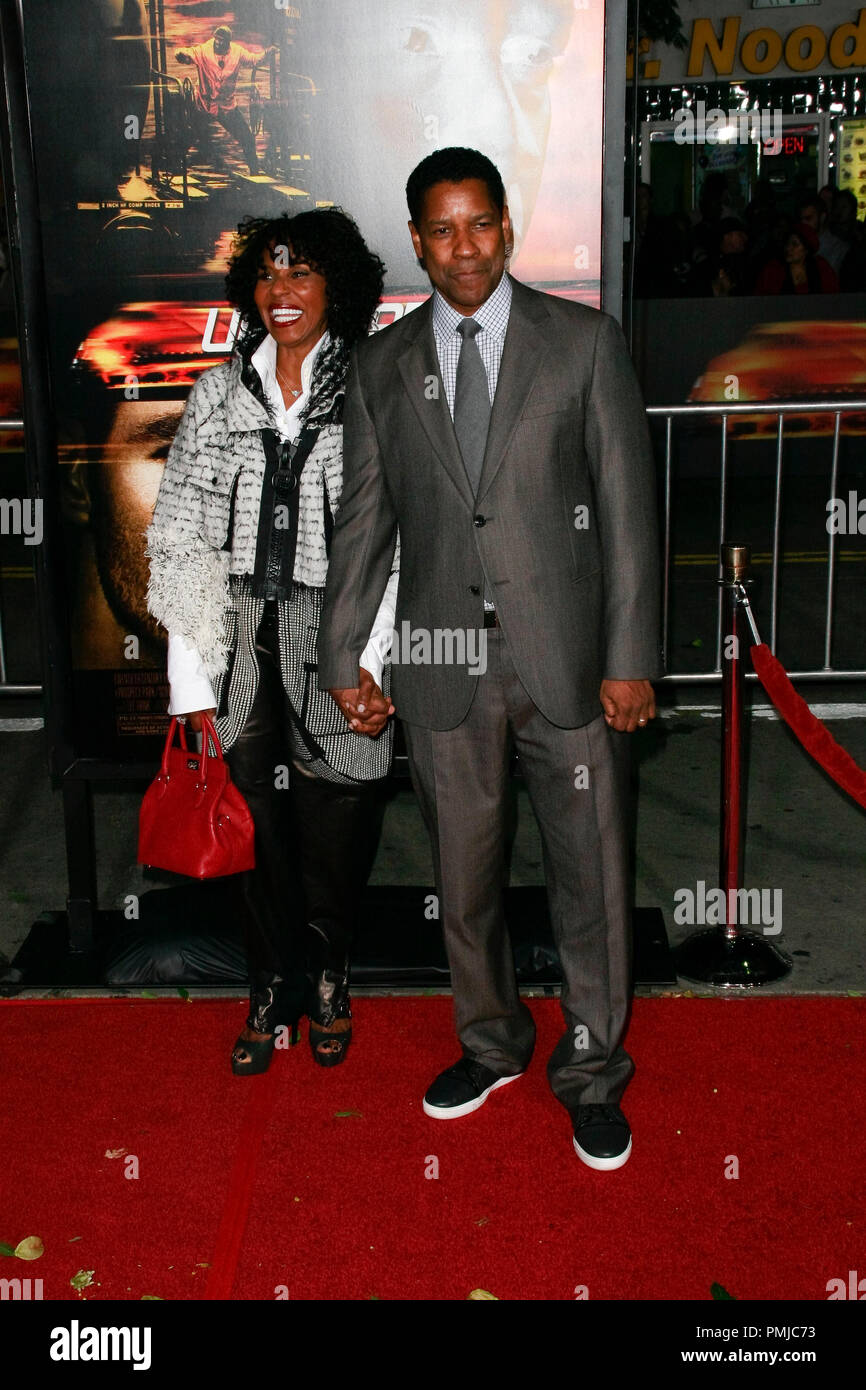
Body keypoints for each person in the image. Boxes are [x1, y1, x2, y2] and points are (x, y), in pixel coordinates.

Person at [318, 147, 660, 1170]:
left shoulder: (582, 343)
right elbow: (363, 523)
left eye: (479, 224)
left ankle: (591, 1068)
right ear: (416, 241)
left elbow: (629, 516)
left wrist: (630, 655)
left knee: (588, 877)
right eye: (441, 229)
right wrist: (344, 656)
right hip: (437, 663)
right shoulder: (383, 365)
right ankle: (490, 1042)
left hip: (570, 668)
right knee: (459, 879)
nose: (462, 246)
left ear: (504, 228)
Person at [146, 208, 397, 1074]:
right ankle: (267, 981)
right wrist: (190, 680)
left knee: (339, 814)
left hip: (337, 627)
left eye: (300, 274)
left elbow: (392, 535)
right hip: (237, 630)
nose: (281, 292)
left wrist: (368, 655)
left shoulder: (372, 384)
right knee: (247, 816)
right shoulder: (218, 393)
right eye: (267, 274)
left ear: (338, 287)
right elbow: (179, 534)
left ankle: (329, 975)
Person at [175, 26, 275, 176]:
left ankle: (255, 171)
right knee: (189, 136)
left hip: (226, 107)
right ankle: (174, 166)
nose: (218, 44)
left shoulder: (237, 52)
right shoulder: (204, 50)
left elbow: (254, 60)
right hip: (204, 105)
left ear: (228, 43)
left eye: (222, 41)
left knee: (246, 137)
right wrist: (180, 54)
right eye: (216, 40)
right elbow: (188, 55)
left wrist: (268, 53)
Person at [754, 222, 839, 295]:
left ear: (806, 249)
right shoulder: (773, 269)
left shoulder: (821, 267)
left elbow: (832, 297)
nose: (788, 248)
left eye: (795, 245)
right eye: (787, 243)